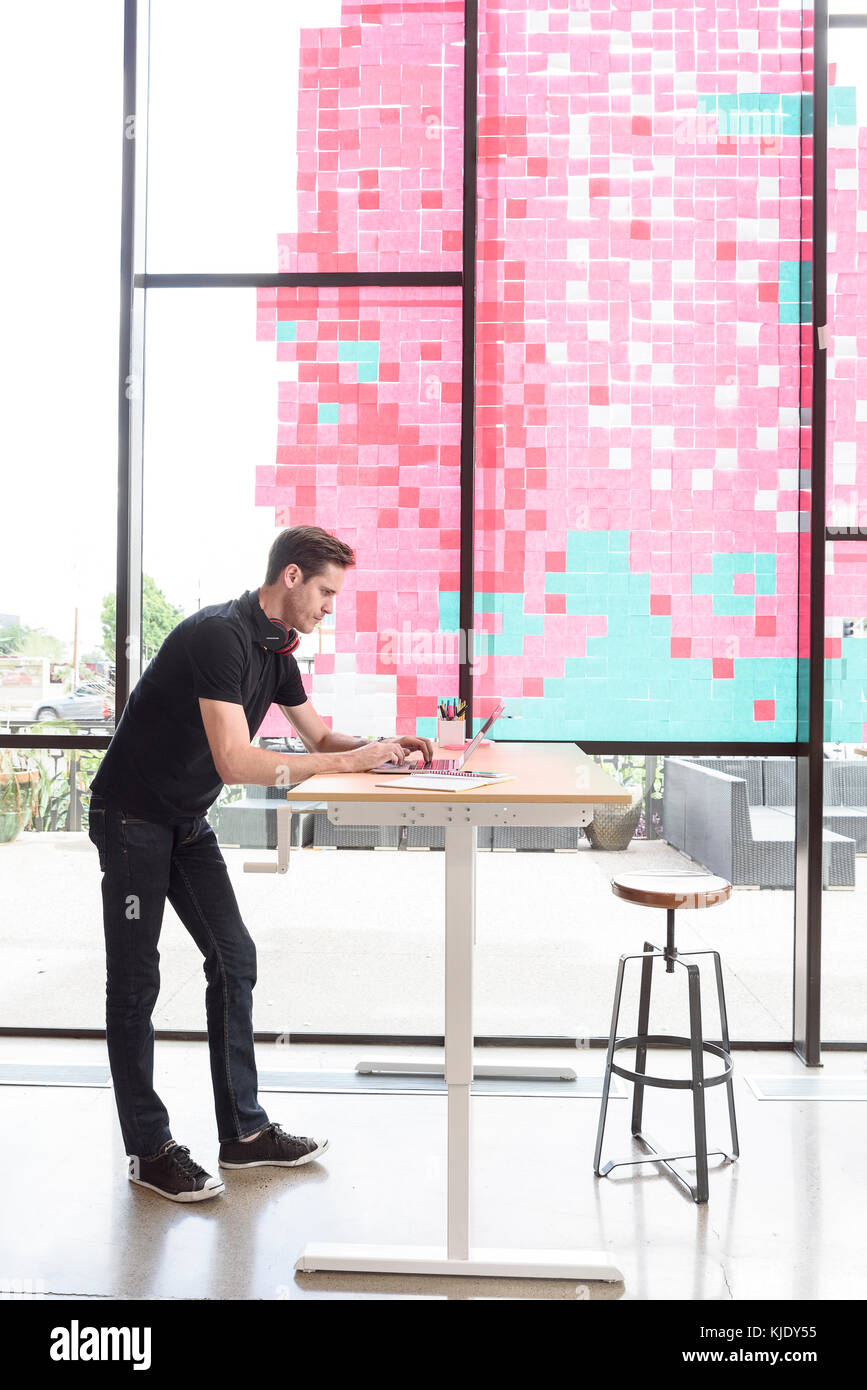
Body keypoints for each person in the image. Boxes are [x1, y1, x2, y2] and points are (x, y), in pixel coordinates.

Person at [88, 525, 433, 1202]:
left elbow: (319, 736)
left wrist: (380, 746)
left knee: (234, 957)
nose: (330, 606)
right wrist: (345, 761)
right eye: (327, 591)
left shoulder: (276, 651)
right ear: (294, 577)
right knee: (135, 981)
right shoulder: (219, 636)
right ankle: (149, 1149)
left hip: (184, 820)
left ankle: (243, 1136)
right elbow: (237, 762)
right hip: (132, 818)